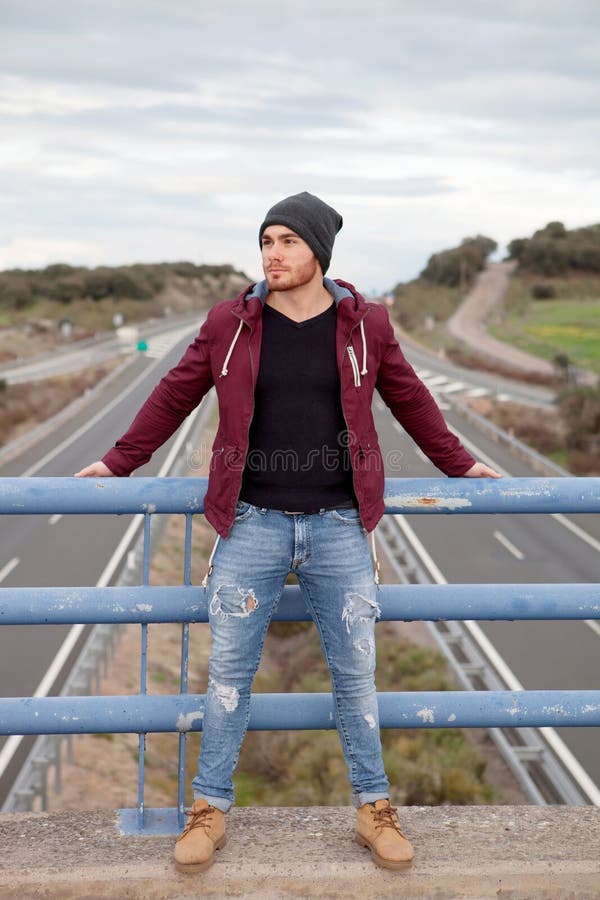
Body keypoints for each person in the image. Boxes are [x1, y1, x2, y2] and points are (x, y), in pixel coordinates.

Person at [76, 191, 501, 874]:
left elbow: (410, 398)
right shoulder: (231, 324)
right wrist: (119, 461)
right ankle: (209, 809)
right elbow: (175, 392)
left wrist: (459, 463)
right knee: (229, 675)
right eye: (266, 241)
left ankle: (373, 808)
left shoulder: (366, 325)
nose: (272, 254)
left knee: (356, 674)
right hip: (252, 521)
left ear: (318, 252)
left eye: (287, 242)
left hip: (339, 524)